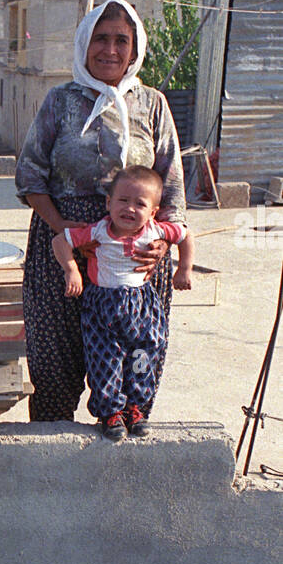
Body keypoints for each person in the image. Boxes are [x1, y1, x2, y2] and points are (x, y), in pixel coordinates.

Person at [14, 0, 187, 422]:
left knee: (132, 363)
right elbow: (29, 177)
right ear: (83, 44)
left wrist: (163, 248)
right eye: (100, 39)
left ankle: (117, 468)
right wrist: (66, 232)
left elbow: (173, 186)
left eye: (121, 41)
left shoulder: (153, 104)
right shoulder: (60, 101)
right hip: (63, 252)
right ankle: (54, 470)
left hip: (136, 262)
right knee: (56, 365)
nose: (110, 50)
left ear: (135, 49)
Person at [51, 165, 194, 438]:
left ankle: (135, 408)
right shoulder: (99, 231)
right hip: (101, 307)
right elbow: (61, 241)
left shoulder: (156, 230)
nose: (130, 209)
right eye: (123, 200)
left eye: (140, 204)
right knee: (105, 359)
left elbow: (186, 235)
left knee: (144, 354)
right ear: (108, 202)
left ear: (153, 212)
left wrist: (184, 268)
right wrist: (72, 270)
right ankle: (111, 412)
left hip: (142, 306)